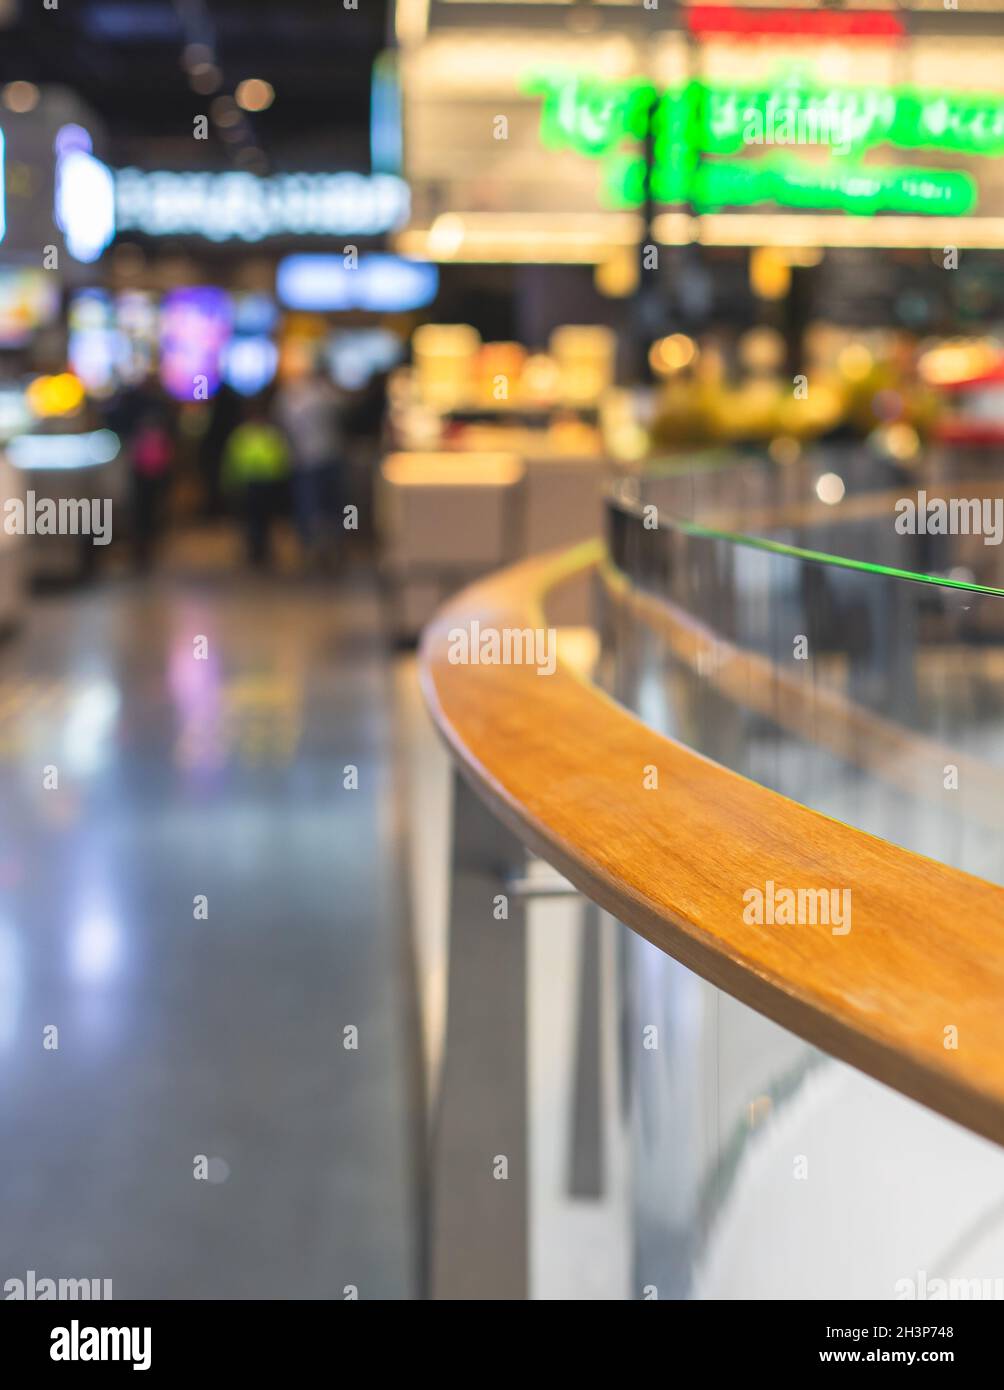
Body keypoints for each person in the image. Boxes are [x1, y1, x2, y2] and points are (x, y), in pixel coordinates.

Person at [273, 364, 344, 567]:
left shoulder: (288, 398)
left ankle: (311, 545)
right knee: (330, 504)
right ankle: (330, 543)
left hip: (305, 459)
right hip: (325, 456)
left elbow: (283, 429)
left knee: (309, 505)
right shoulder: (323, 393)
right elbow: (342, 411)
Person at [221, 400, 290, 568]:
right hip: (253, 484)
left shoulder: (251, 434)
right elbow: (231, 460)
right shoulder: (252, 434)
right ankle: (256, 549)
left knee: (261, 520)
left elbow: (282, 457)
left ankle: (259, 549)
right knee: (254, 520)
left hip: (265, 483)